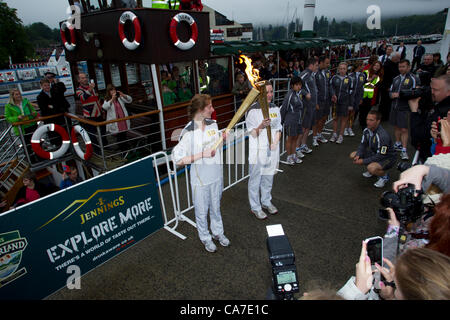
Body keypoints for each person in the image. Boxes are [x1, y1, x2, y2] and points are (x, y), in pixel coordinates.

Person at [172, 94, 229, 253]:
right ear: (200, 109)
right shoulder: (188, 132)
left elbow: (214, 146)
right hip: (200, 180)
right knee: (202, 211)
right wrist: (201, 155)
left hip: (216, 175)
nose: (213, 109)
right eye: (210, 107)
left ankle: (218, 233)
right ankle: (205, 237)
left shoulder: (213, 125)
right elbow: (178, 160)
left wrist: (222, 139)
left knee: (216, 208)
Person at [245, 81, 282, 220]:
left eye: (271, 91)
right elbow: (252, 134)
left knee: (268, 177)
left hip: (271, 149)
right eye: (267, 92)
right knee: (255, 179)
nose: (270, 95)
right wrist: (261, 125)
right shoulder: (252, 111)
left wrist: (275, 142)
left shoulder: (274, 108)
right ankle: (255, 207)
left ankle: (266, 201)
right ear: (260, 94)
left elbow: (279, 128)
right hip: (257, 150)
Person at [350, 110, 396, 188]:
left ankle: (384, 176)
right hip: (375, 153)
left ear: (378, 121)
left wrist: (363, 161)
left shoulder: (383, 136)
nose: (368, 122)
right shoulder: (367, 130)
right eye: (367, 119)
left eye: (371, 120)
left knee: (371, 167)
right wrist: (358, 155)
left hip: (387, 158)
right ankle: (373, 171)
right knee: (353, 155)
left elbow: (381, 155)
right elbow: (363, 144)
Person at [410, 74, 450, 162]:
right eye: (431, 88)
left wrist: (414, 111)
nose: (432, 92)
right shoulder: (438, 104)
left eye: (435, 90)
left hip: (432, 159)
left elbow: (419, 136)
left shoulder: (444, 113)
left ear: (448, 92)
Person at [389, 59, 421, 161]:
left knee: (404, 129)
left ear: (408, 67)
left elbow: (417, 92)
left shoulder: (413, 78)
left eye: (403, 66)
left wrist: (401, 94)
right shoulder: (396, 78)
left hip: (405, 108)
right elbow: (390, 91)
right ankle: (397, 143)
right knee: (396, 126)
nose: (401, 69)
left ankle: (404, 149)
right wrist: (391, 95)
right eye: (400, 67)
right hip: (395, 106)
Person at [4, 88, 38, 162]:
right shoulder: (9, 106)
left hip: (32, 125)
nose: (19, 95)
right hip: (22, 128)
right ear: (12, 96)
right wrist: (17, 117)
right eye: (16, 94)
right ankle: (31, 161)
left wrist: (33, 114)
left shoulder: (26, 102)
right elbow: (8, 118)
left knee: (37, 142)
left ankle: (40, 158)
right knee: (27, 146)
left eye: (19, 94)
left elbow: (34, 112)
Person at [76, 73, 106, 153]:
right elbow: (83, 98)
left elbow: (96, 98)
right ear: (79, 80)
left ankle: (105, 147)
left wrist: (101, 109)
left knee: (103, 131)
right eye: (82, 78)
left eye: (85, 77)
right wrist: (90, 89)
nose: (85, 79)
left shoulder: (91, 86)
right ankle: (97, 150)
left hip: (98, 113)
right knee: (92, 134)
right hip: (89, 115)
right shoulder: (79, 89)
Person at [280, 77, 305, 165]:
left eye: (300, 85)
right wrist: (281, 122)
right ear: (292, 85)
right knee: (290, 139)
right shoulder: (289, 95)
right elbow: (284, 109)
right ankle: (289, 156)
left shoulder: (297, 94)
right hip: (290, 121)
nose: (299, 87)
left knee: (295, 138)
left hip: (298, 120)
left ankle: (294, 154)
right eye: (297, 85)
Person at [297, 58, 318, 155]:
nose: (317, 67)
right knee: (303, 128)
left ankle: (303, 145)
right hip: (305, 105)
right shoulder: (305, 73)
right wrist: (305, 93)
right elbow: (296, 86)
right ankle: (297, 149)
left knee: (307, 127)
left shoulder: (312, 74)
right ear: (311, 65)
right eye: (316, 65)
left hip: (312, 105)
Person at [102, 84, 132, 150]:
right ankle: (123, 150)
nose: (113, 91)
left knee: (124, 135)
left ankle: (125, 150)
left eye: (114, 89)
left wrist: (123, 95)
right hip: (116, 122)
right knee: (119, 137)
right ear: (109, 92)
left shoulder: (119, 98)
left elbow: (130, 100)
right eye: (111, 90)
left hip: (123, 120)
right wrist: (112, 99)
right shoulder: (107, 99)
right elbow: (104, 107)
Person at [330, 62, 354, 144]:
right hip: (336, 102)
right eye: (340, 68)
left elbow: (351, 92)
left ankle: (341, 136)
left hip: (345, 102)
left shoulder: (350, 79)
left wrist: (350, 104)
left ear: (347, 69)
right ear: (338, 69)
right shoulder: (334, 78)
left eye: (344, 68)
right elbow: (331, 88)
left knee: (344, 119)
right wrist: (333, 95)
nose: (342, 70)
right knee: (335, 118)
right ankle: (334, 134)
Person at [312, 55, 331, 147]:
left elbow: (329, 85)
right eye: (326, 63)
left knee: (324, 118)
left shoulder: (327, 72)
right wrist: (315, 102)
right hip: (319, 100)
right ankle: (314, 137)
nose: (328, 65)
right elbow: (313, 89)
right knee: (317, 119)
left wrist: (333, 95)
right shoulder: (315, 73)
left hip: (327, 99)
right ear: (321, 62)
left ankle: (319, 134)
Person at [345, 61, 367, 137]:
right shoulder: (350, 75)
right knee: (348, 113)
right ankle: (345, 128)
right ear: (359, 66)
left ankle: (350, 127)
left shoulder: (363, 76)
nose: (363, 67)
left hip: (357, 97)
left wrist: (361, 98)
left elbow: (362, 88)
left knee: (353, 113)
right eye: (362, 65)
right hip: (350, 97)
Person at [359, 61, 383, 130]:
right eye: (375, 65)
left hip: (370, 95)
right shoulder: (366, 72)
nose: (376, 67)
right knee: (361, 110)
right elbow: (362, 83)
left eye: (378, 66)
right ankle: (360, 123)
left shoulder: (378, 76)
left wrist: (372, 84)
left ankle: (365, 124)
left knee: (367, 110)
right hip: (362, 94)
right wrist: (371, 80)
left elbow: (375, 85)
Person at [379, 52, 401, 121]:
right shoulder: (387, 65)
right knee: (384, 102)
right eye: (398, 58)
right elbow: (385, 77)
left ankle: (387, 115)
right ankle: (383, 116)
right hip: (386, 86)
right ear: (394, 58)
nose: (399, 59)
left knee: (388, 102)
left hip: (392, 86)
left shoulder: (394, 64)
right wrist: (387, 86)